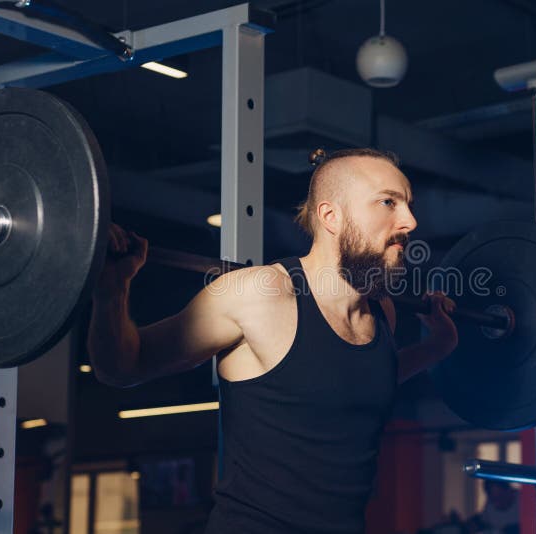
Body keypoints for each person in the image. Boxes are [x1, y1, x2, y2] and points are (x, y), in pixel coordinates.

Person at [88, 148, 459, 534]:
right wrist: (112, 291)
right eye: (388, 202)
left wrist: (437, 346)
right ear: (331, 216)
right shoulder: (258, 296)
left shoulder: (382, 311)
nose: (410, 220)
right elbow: (121, 367)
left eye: (408, 205)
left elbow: (357, 379)